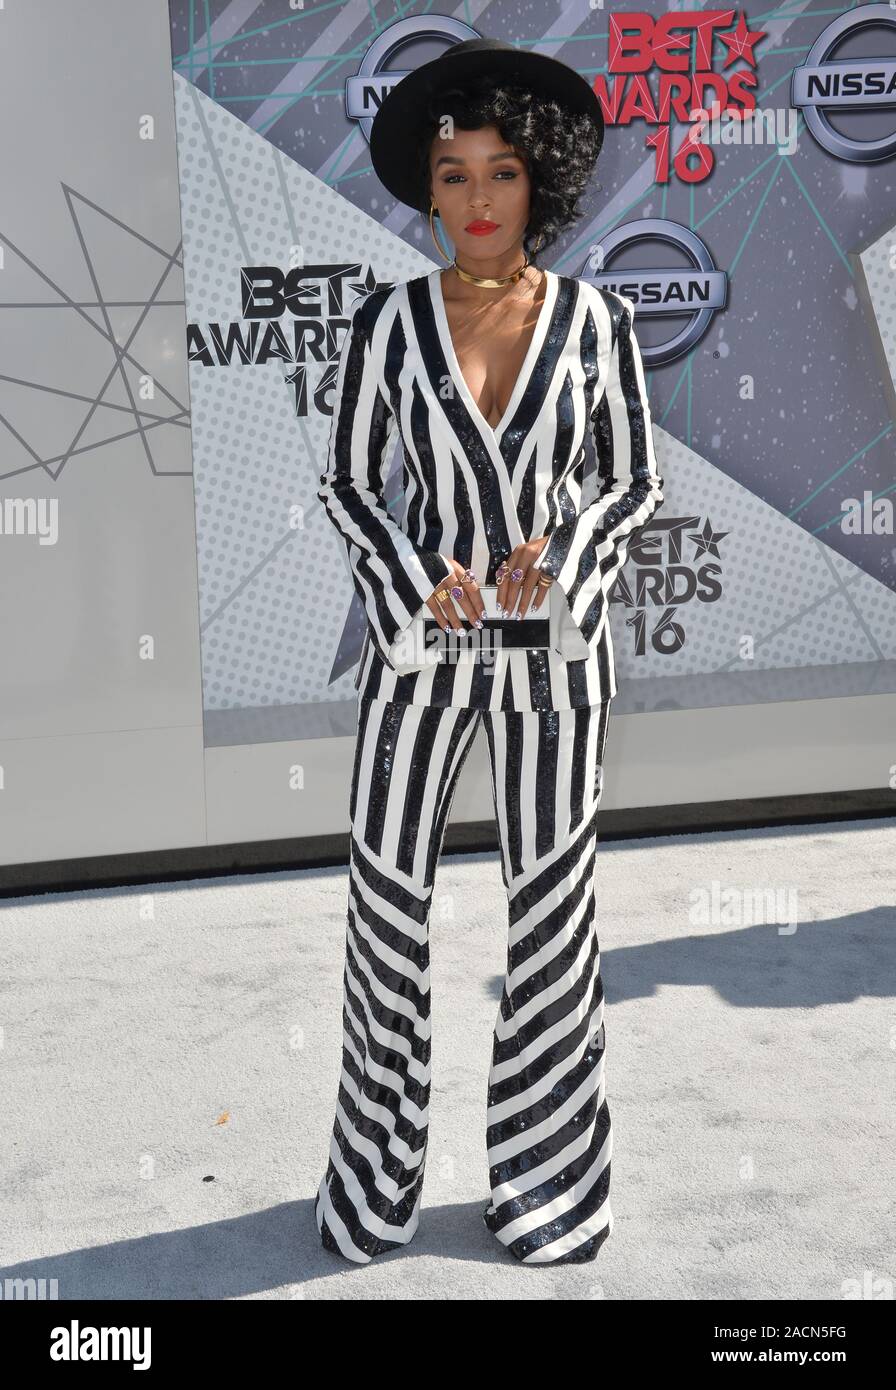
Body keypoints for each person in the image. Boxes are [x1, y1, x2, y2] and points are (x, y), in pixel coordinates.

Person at [314, 37, 664, 1265]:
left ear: (540, 182)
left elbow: (628, 480)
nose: (474, 200)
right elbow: (353, 486)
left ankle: (548, 1184)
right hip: (419, 656)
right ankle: (370, 1184)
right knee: (385, 901)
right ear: (424, 182)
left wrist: (561, 555)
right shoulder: (386, 324)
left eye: (500, 172)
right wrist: (420, 576)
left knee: (551, 918)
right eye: (451, 173)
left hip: (557, 664)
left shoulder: (596, 321)